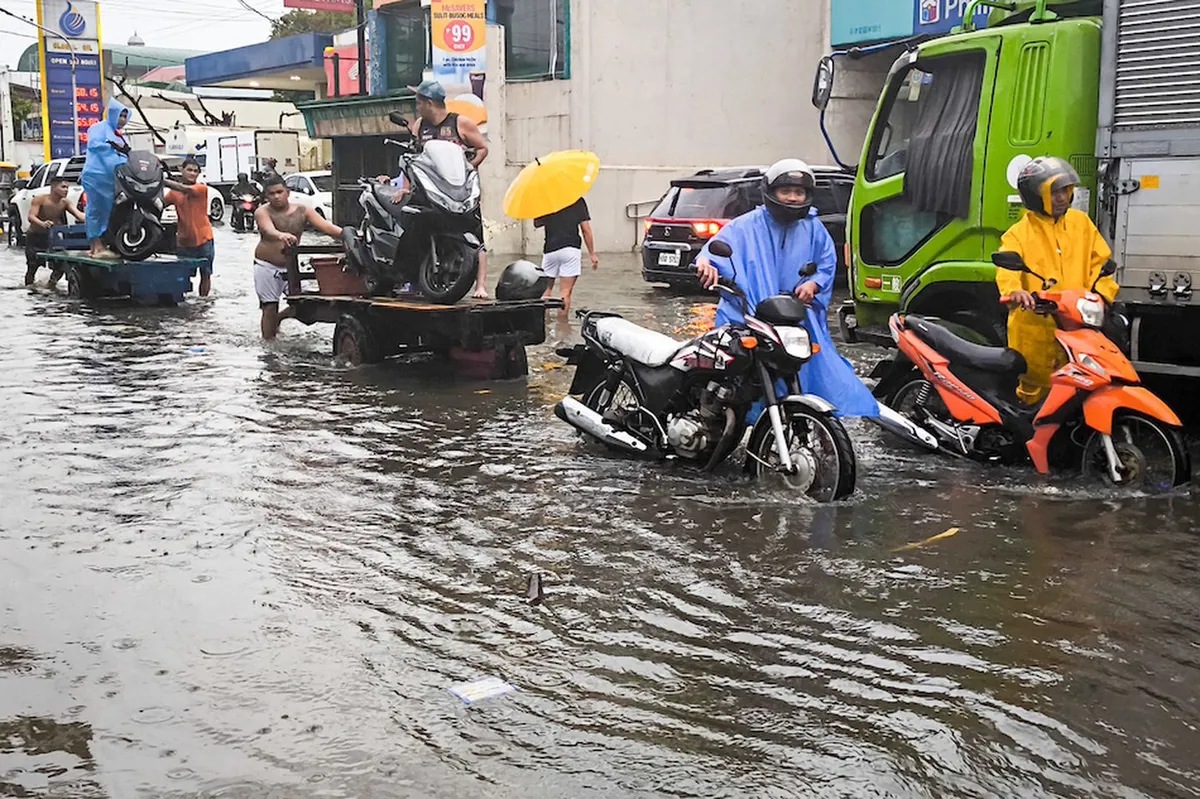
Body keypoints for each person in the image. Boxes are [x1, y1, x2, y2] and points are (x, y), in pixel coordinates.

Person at [695, 158, 878, 418]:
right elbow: (715, 250)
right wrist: (706, 263)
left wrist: (814, 284)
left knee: (826, 373)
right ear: (771, 192)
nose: (793, 198)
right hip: (750, 315)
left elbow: (826, 264)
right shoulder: (746, 225)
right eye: (786, 191)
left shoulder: (814, 228)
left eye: (799, 192)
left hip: (795, 317)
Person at [997, 156, 1119, 405]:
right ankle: (1023, 439)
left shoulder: (1081, 224)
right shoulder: (1018, 234)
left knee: (1080, 387)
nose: (1062, 197)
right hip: (1033, 327)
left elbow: (1102, 264)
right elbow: (1007, 268)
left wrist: (1102, 296)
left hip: (1077, 325)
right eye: (1054, 192)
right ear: (1035, 196)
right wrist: (1015, 291)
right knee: (1032, 389)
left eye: (1065, 190)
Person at [407, 79, 490, 299]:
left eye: (419, 101)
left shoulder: (460, 123)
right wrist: (404, 188)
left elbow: (482, 149)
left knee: (474, 234)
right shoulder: (419, 126)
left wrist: (468, 169)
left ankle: (480, 286)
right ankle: (418, 279)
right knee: (420, 229)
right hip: (429, 191)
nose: (417, 106)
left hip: (459, 190)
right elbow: (412, 160)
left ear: (429, 103)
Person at [253, 174, 343, 340]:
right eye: (271, 194)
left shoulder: (303, 210)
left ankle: (280, 318)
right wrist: (281, 235)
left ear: (287, 192)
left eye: (279, 192)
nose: (276, 196)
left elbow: (327, 228)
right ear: (266, 196)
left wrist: (349, 236)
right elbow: (267, 230)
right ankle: (269, 346)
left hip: (291, 265)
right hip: (266, 265)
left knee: (303, 305)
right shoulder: (262, 211)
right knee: (269, 307)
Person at [81, 98, 131, 260]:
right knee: (95, 209)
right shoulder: (98, 128)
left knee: (108, 211)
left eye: (125, 116)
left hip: (112, 179)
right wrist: (114, 150)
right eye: (120, 115)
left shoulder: (121, 136)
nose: (122, 120)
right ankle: (95, 246)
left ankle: (103, 244)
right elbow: (96, 146)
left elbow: (128, 154)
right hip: (96, 176)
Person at [534, 197, 598, 318]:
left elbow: (537, 223)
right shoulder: (577, 200)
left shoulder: (547, 200)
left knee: (546, 290)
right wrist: (592, 253)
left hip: (550, 250)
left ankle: (543, 322)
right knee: (565, 291)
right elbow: (586, 230)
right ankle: (563, 325)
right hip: (570, 249)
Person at [163, 157, 215, 297]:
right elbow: (160, 205)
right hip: (184, 241)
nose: (192, 174)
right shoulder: (173, 194)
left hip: (204, 239)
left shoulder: (201, 188)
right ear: (181, 170)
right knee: (182, 275)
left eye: (195, 171)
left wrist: (160, 180)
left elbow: (184, 188)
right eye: (189, 170)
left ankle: (203, 302)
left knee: (206, 274)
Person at [25, 176, 84, 287]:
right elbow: (31, 217)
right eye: (63, 187)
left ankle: (50, 286)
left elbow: (79, 215)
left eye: (67, 187)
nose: (66, 190)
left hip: (52, 237)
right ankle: (30, 289)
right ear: (53, 187)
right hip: (35, 236)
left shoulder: (65, 202)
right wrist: (42, 223)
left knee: (60, 265)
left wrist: (95, 219)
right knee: (32, 267)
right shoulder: (40, 199)